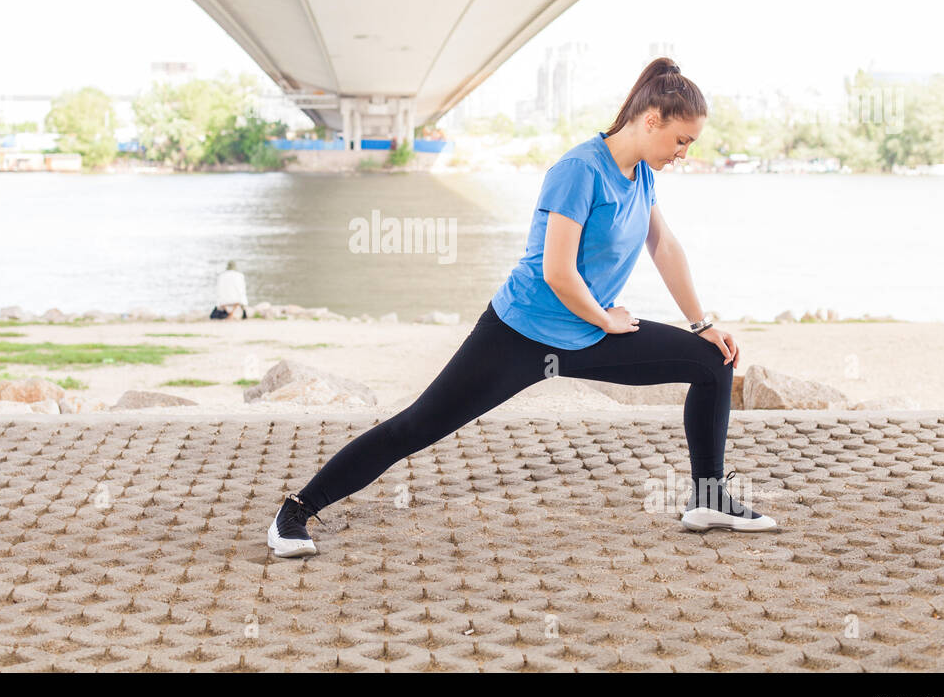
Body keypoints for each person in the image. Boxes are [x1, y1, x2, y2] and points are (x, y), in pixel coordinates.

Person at [266, 57, 777, 559]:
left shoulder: (641, 173)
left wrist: (702, 324)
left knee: (712, 362)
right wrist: (605, 318)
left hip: (590, 336)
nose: (684, 152)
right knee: (417, 426)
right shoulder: (579, 170)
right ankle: (296, 510)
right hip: (521, 334)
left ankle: (708, 499)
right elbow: (557, 270)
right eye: (682, 139)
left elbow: (663, 246)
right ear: (651, 120)